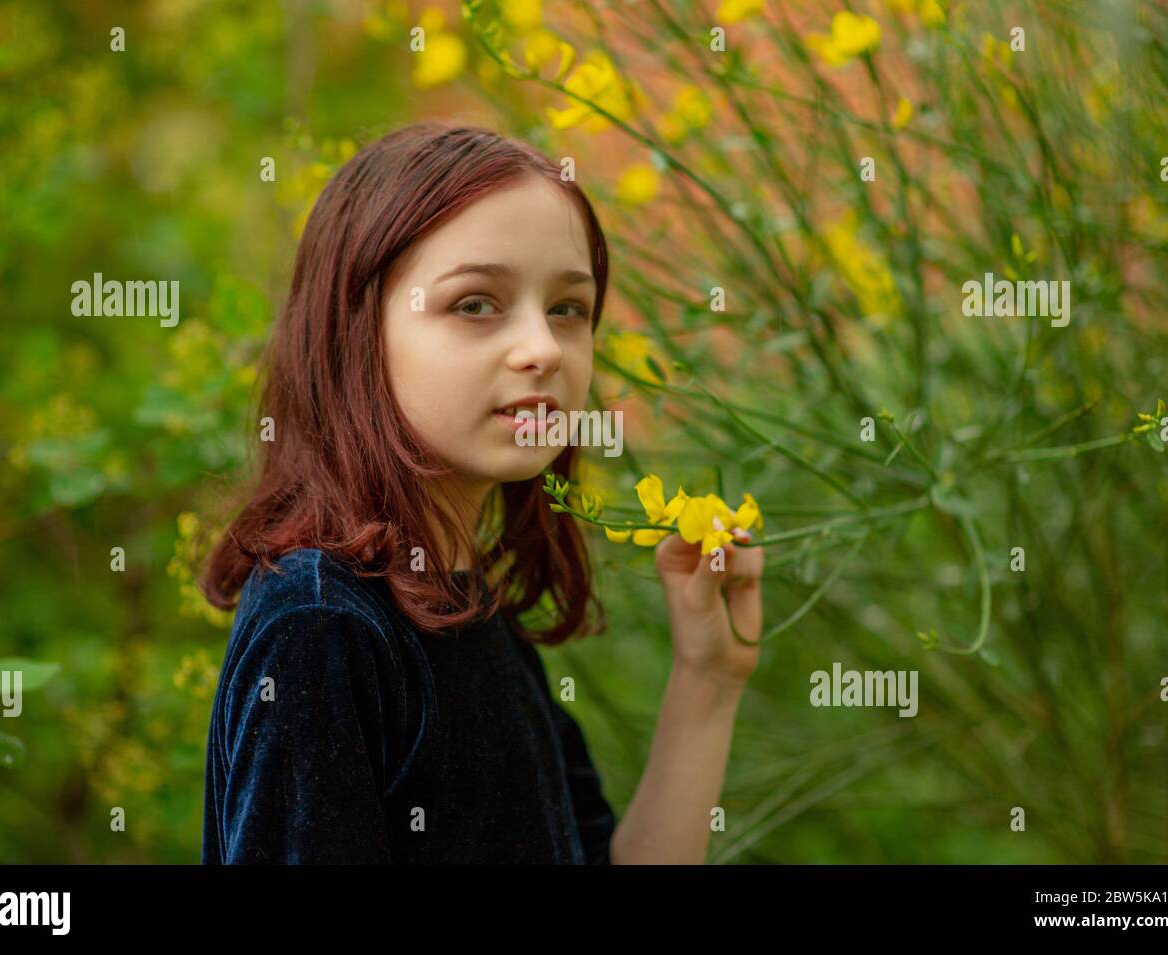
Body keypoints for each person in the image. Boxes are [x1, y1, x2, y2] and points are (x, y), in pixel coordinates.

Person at [197, 121, 764, 864]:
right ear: (355, 334)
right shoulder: (321, 626)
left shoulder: (464, 604)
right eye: (475, 304)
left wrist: (708, 678)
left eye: (568, 308)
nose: (542, 349)